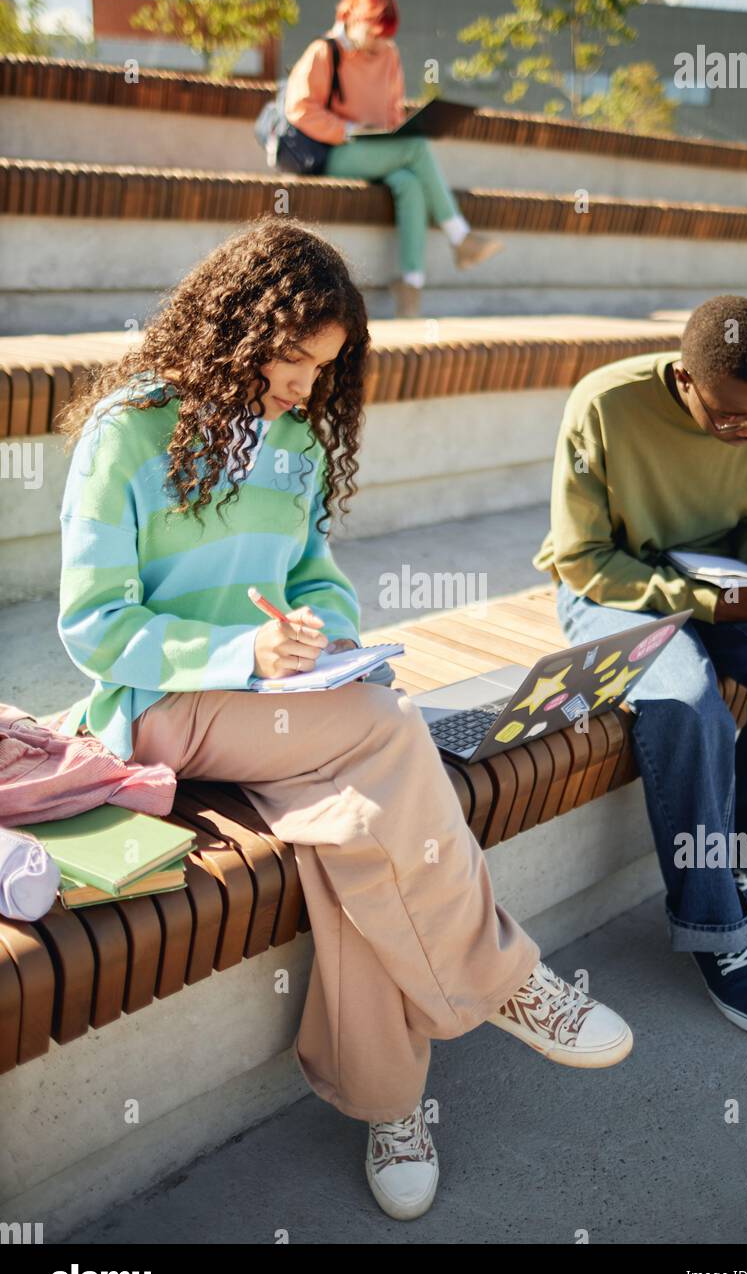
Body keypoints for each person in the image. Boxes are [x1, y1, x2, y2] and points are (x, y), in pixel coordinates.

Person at [54, 216, 632, 1223]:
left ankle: (391, 1103)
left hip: (283, 714)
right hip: (160, 710)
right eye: (288, 360)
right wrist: (239, 655)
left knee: (354, 835)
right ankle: (503, 975)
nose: (301, 387)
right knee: (386, 732)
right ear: (230, 327)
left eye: (320, 369)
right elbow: (95, 628)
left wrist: (324, 632)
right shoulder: (128, 431)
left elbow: (314, 577)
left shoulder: (293, 447)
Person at [533, 295, 747, 1037]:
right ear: (684, 379)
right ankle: (715, 932)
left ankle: (741, 865)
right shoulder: (605, 405)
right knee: (685, 698)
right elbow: (583, 561)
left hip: (719, 578)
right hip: (615, 593)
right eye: (729, 418)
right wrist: (710, 608)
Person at [282, 0, 504, 317]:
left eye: (386, 37)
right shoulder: (324, 52)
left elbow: (392, 109)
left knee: (410, 183)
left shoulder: (389, 54)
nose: (380, 44)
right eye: (374, 34)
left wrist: (393, 130)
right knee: (415, 148)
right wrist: (350, 130)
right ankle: (460, 237)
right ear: (354, 19)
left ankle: (410, 287)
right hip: (333, 150)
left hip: (376, 147)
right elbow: (299, 109)